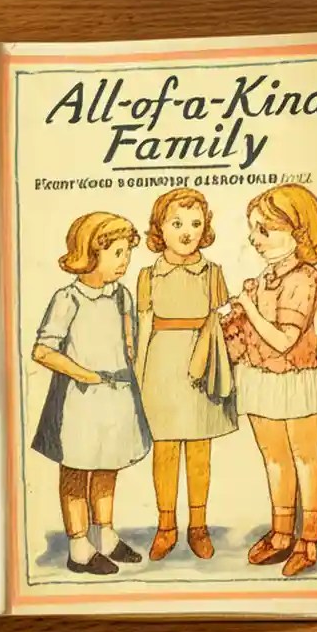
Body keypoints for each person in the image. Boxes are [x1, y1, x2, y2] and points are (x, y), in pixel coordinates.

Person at [223, 184, 317, 577]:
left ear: (298, 231)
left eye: (265, 231)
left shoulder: (304, 278)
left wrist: (248, 308)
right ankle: (280, 533)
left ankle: (308, 538)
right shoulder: (267, 276)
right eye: (254, 230)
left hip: (296, 376)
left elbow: (286, 340)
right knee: (273, 457)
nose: (255, 240)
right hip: (261, 376)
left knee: (305, 457)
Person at [31, 212, 152, 575]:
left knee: (107, 466)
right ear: (91, 252)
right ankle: (78, 545)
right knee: (76, 470)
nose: (125, 261)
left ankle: (105, 536)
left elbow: (128, 342)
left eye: (127, 253)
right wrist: (85, 375)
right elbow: (43, 350)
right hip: (78, 398)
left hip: (116, 396)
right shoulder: (69, 298)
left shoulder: (122, 296)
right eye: (117, 253)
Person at [135, 189, 236, 561]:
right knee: (163, 451)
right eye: (177, 223)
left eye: (195, 224)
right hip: (161, 366)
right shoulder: (147, 275)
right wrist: (138, 378)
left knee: (198, 452)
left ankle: (198, 526)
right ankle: (165, 527)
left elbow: (225, 324)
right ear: (160, 228)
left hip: (202, 362)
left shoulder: (214, 273)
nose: (187, 231)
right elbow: (143, 328)